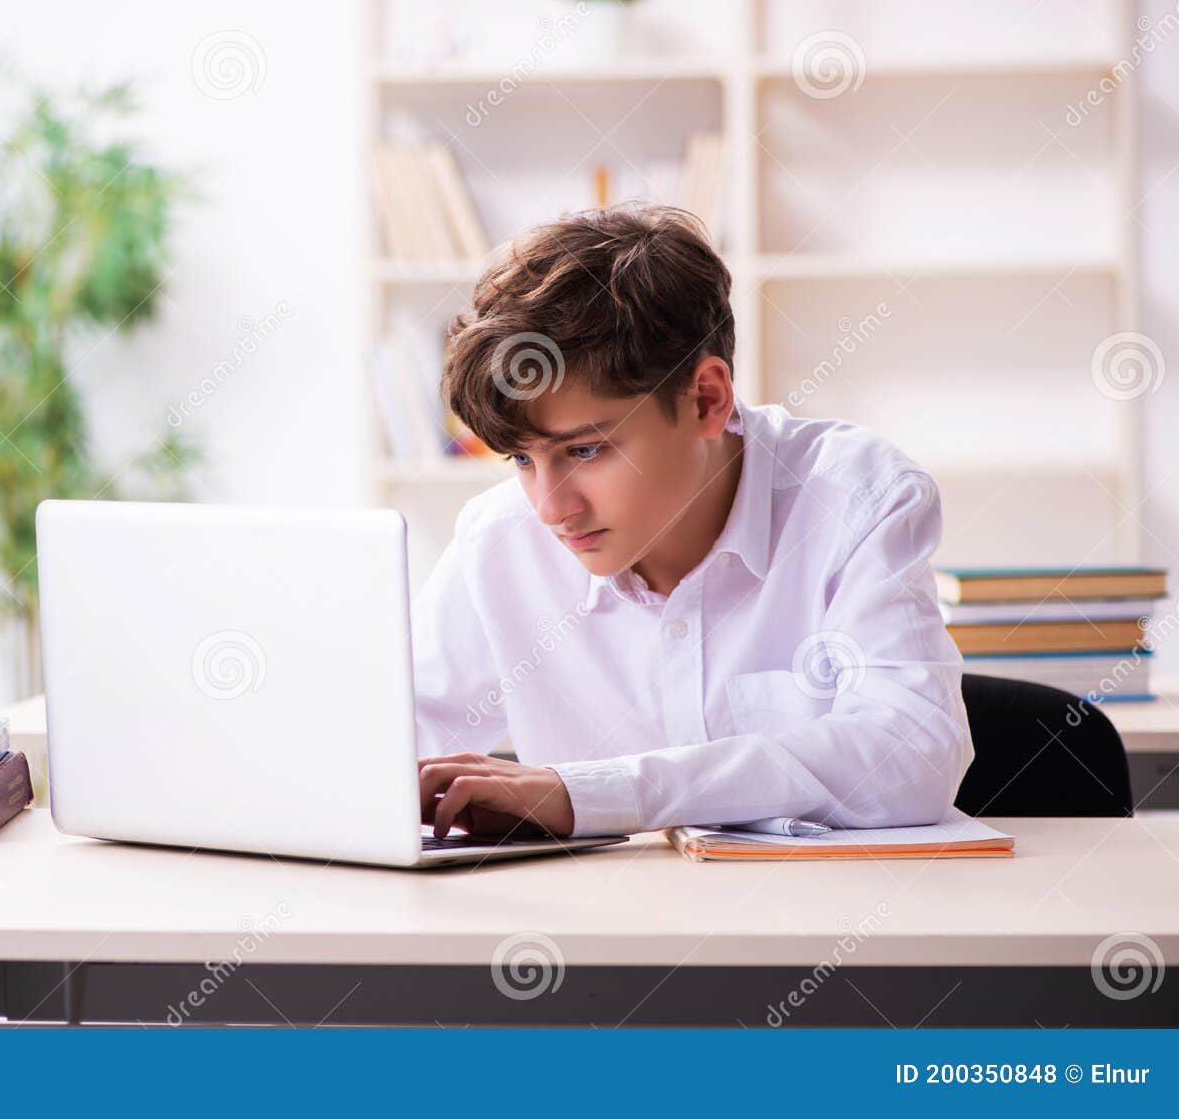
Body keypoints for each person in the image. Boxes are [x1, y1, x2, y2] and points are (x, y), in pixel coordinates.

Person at [413, 204, 974, 840]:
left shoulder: (853, 498)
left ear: (706, 399)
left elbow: (912, 756)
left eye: (586, 450)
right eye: (521, 459)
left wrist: (591, 795)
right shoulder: (497, 539)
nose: (550, 509)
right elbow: (387, 745)